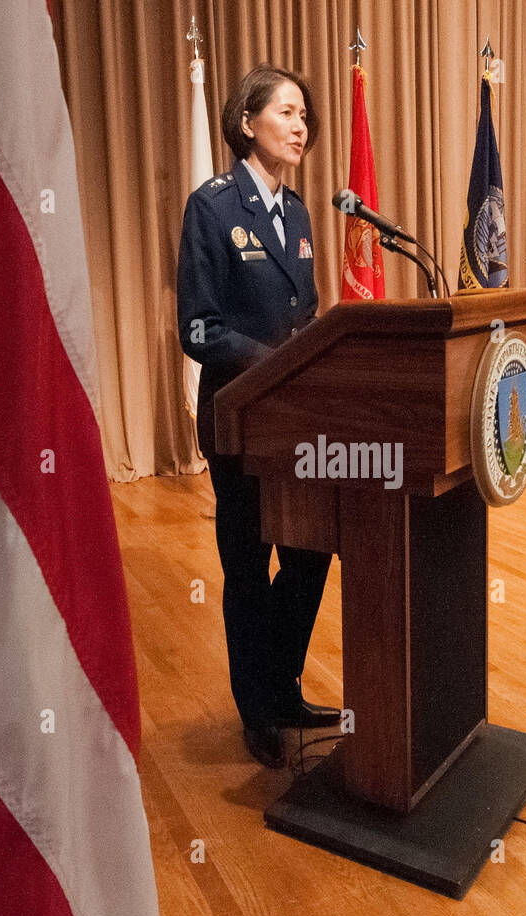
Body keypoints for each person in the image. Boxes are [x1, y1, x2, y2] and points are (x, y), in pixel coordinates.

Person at [177, 64, 339, 769]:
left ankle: (279, 685)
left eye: (305, 115)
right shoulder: (212, 207)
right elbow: (199, 328)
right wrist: (274, 362)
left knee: (310, 550)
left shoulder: (299, 211)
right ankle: (258, 712)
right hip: (239, 418)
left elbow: (303, 318)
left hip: (294, 421)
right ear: (247, 123)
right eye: (287, 112)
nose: (301, 126)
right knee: (249, 563)